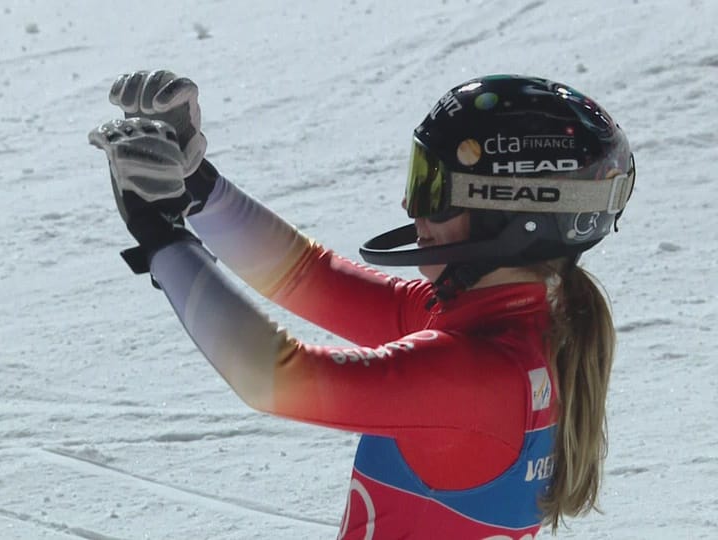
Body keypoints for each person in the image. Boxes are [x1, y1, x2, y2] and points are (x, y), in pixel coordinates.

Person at [88, 71, 635, 539]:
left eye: (433, 187)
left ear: (510, 211)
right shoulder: (515, 326)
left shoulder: (475, 374)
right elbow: (308, 275)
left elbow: (273, 376)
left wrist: (162, 237)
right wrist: (194, 183)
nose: (409, 204)